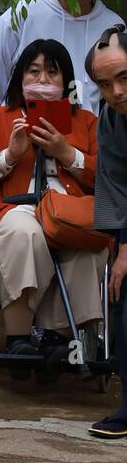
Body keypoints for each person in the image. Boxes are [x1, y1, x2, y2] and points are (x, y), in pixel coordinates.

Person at [0, 40, 103, 369]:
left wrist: (68, 153)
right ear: (20, 79)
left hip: (69, 211)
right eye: (33, 71)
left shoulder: (87, 123)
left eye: (52, 73)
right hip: (15, 209)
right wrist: (9, 156)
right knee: (25, 234)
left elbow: (109, 178)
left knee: (87, 243)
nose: (43, 81)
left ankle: (57, 339)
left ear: (66, 82)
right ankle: (18, 337)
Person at [87, 26, 127, 436]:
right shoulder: (111, 118)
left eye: (124, 78)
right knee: (121, 302)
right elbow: (115, 180)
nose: (115, 91)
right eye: (104, 83)